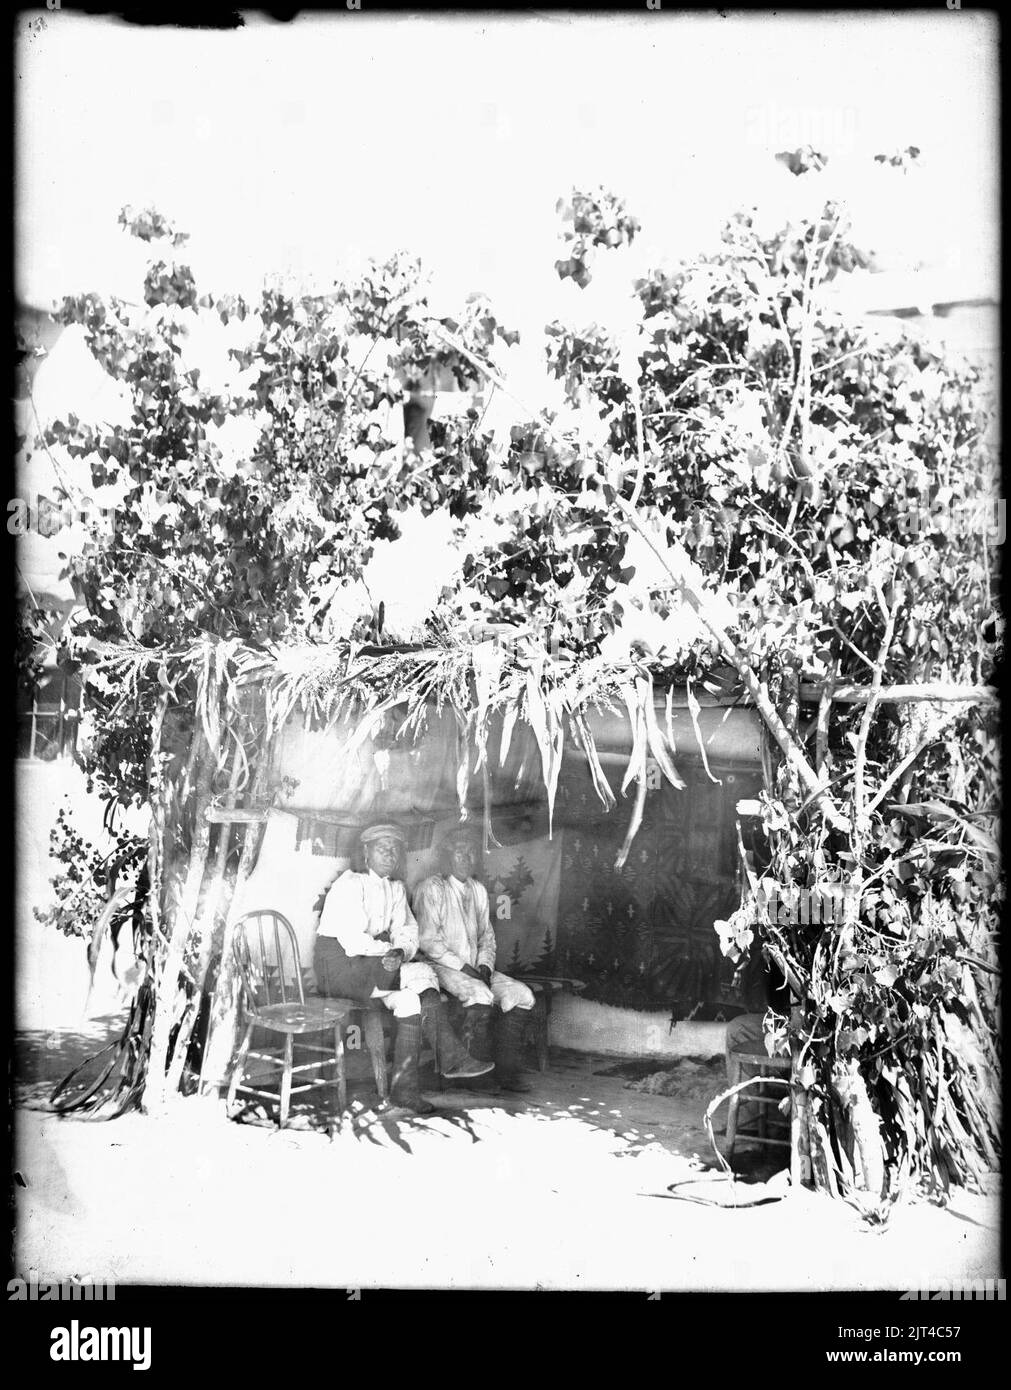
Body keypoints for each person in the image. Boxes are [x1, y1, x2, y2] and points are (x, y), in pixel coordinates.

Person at [313, 823, 493, 1114]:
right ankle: (450, 1056)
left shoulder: (396, 888)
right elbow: (352, 941)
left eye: (394, 849)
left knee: (410, 1000)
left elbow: (409, 931)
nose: (389, 854)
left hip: (376, 967)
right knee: (422, 973)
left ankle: (404, 1091)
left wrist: (400, 950)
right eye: (382, 847)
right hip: (340, 967)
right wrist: (389, 951)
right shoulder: (350, 883)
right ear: (365, 851)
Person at [413, 824, 536, 1093]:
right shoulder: (432, 888)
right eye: (459, 852)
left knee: (523, 994)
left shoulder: (478, 889)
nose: (465, 858)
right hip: (440, 967)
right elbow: (429, 942)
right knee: (481, 995)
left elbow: (487, 937)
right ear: (447, 856)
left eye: (470, 853)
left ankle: (504, 1071)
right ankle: (473, 1075)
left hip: (475, 970)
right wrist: (467, 969)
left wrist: (485, 966)